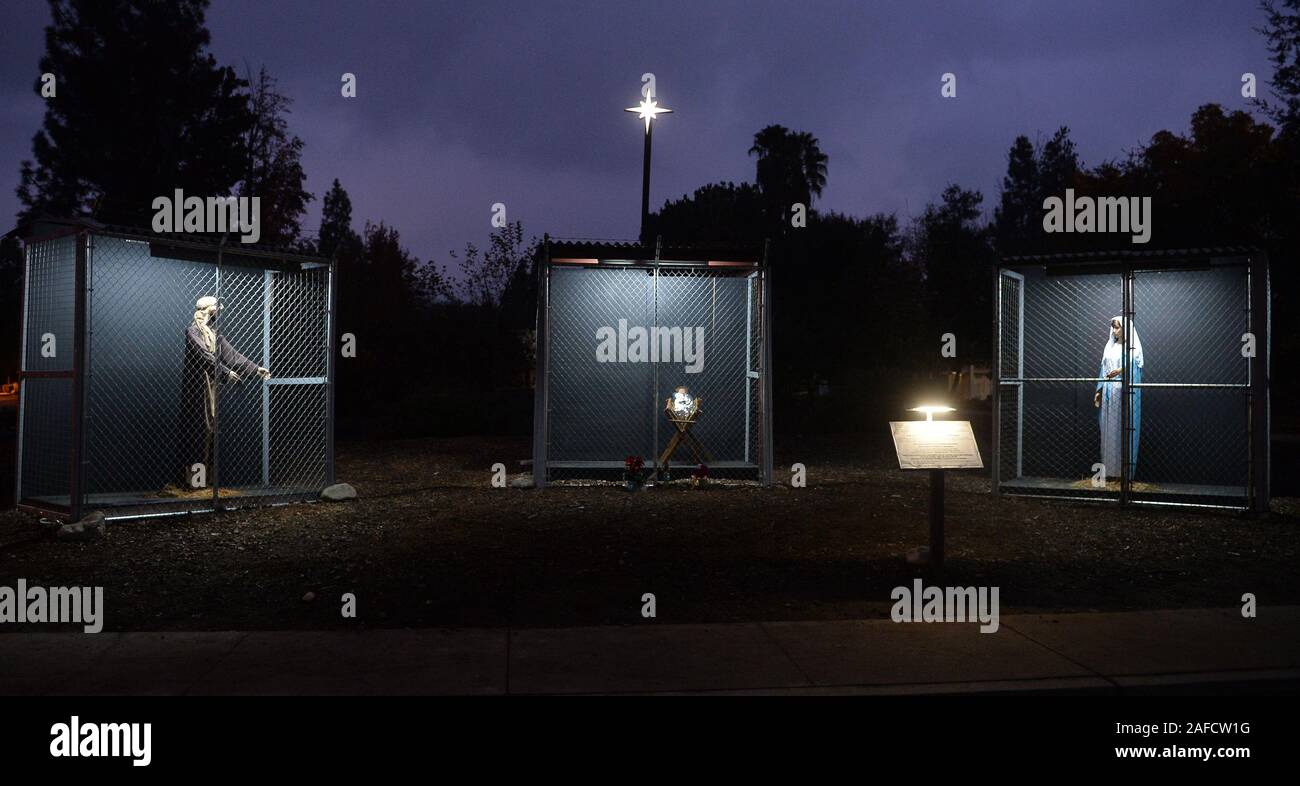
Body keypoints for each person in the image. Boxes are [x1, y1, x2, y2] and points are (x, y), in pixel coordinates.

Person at [181, 295, 270, 486]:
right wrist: (225, 372)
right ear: (205, 308)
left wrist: (255, 369)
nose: (220, 307)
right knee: (200, 429)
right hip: (198, 386)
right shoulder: (192, 331)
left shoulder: (215, 334)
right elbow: (203, 356)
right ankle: (194, 483)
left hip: (212, 383)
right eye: (216, 305)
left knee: (211, 429)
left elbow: (232, 355)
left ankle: (206, 483)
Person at [1093, 315, 1142, 480]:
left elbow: (1134, 368)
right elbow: (1103, 368)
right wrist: (1098, 390)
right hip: (1108, 392)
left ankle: (1123, 474)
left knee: (1122, 428)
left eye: (1117, 327)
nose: (1114, 331)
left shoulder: (1131, 348)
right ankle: (1110, 472)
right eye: (1113, 327)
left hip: (1122, 392)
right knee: (1108, 429)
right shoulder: (1110, 347)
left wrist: (1120, 371)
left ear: (1125, 328)